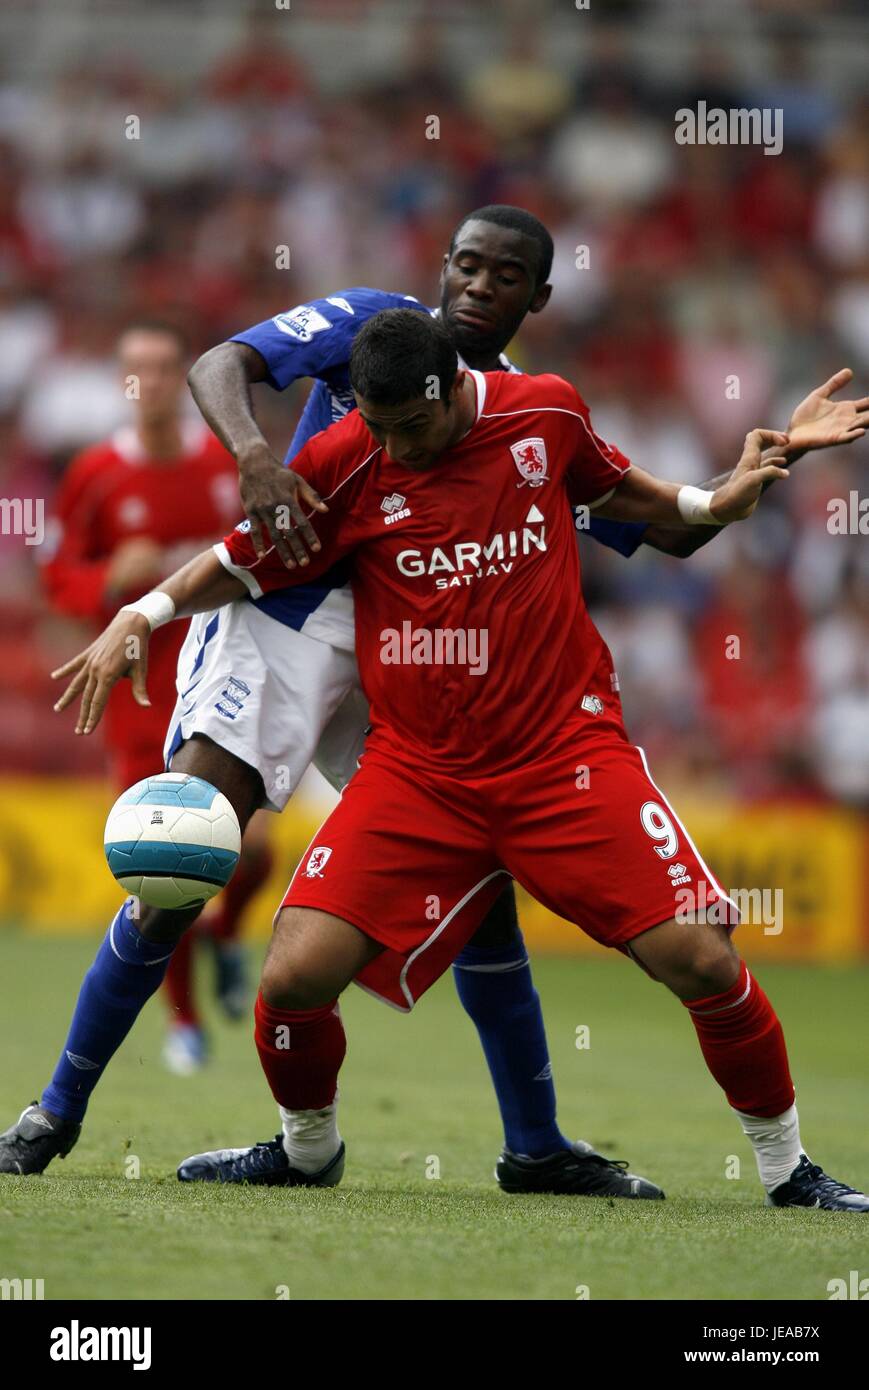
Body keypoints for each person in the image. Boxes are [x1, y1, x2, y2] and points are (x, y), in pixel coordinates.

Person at [3, 208, 865, 1192]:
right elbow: (219, 366)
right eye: (464, 264)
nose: (477, 285)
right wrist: (252, 464)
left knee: (478, 889)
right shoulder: (369, 327)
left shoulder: (527, 420)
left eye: (504, 275)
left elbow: (665, 522)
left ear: (533, 300)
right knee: (184, 848)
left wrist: (761, 467)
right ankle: (53, 1113)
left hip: (402, 636)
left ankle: (532, 1146)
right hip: (281, 607)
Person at [38, 320, 271, 1073]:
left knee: (258, 851)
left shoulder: (228, 462)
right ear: (122, 381)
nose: (154, 382)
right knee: (164, 858)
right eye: (138, 369)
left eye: (167, 367)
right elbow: (59, 578)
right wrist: (108, 580)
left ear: (186, 379)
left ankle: (228, 935)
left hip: (222, 678)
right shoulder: (97, 473)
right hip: (140, 693)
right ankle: (183, 1020)